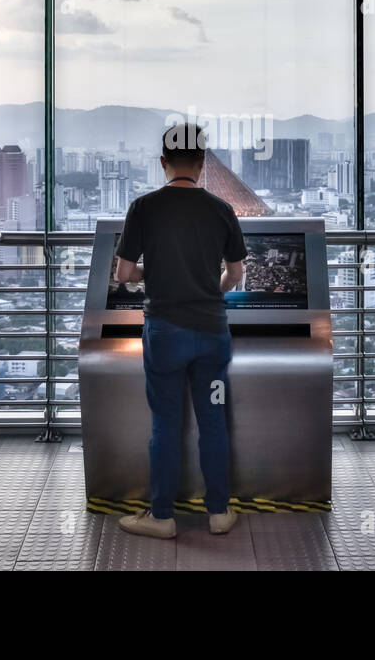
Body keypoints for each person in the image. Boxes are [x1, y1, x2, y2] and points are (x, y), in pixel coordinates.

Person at [114, 125, 247, 539]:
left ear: (163, 163)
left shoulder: (144, 207)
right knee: (213, 423)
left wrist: (153, 273)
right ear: (203, 163)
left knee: (165, 425)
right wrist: (212, 287)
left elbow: (122, 274)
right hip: (211, 333)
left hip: (165, 333)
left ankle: (162, 517)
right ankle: (219, 513)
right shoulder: (222, 209)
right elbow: (236, 273)